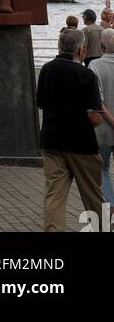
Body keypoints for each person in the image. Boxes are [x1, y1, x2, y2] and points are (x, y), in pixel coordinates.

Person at [36, 26, 114, 232]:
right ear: (82, 51)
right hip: (82, 144)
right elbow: (95, 116)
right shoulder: (86, 75)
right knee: (93, 195)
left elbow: (42, 103)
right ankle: (103, 230)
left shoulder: (46, 69)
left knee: (54, 193)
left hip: (51, 141)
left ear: (59, 46)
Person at [90, 28, 114, 207]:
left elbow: (98, 100)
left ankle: (110, 206)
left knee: (103, 169)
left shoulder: (95, 66)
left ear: (102, 44)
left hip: (103, 130)